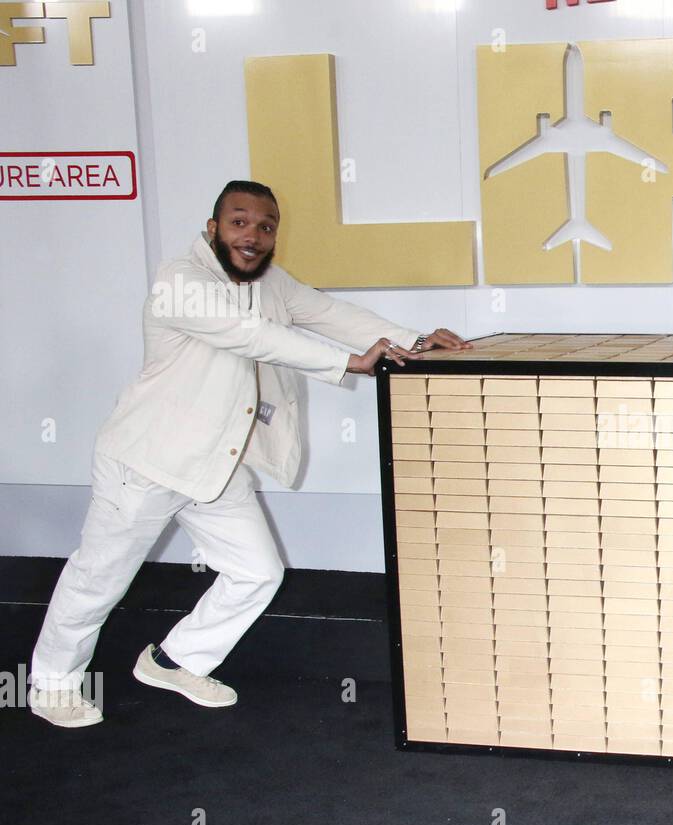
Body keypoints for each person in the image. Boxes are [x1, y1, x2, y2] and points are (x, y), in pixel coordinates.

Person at [28, 179, 472, 728]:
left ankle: (174, 660)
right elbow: (250, 336)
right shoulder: (179, 281)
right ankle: (52, 682)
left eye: (266, 227)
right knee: (99, 577)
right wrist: (348, 364)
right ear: (213, 228)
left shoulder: (271, 283)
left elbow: (329, 313)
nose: (253, 236)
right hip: (148, 461)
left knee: (257, 571)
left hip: (217, 462)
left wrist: (416, 337)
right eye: (240, 222)